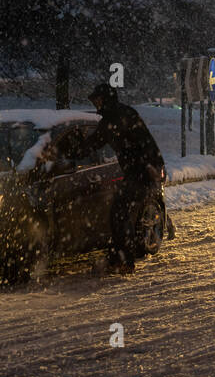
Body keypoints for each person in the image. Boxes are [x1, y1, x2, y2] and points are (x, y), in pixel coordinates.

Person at [68, 83, 166, 274]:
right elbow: (144, 139)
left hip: (140, 171)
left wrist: (76, 148)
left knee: (120, 214)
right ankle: (119, 258)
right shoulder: (122, 113)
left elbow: (96, 142)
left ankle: (123, 261)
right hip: (141, 169)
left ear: (104, 99)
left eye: (97, 99)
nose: (95, 103)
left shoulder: (114, 118)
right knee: (121, 214)